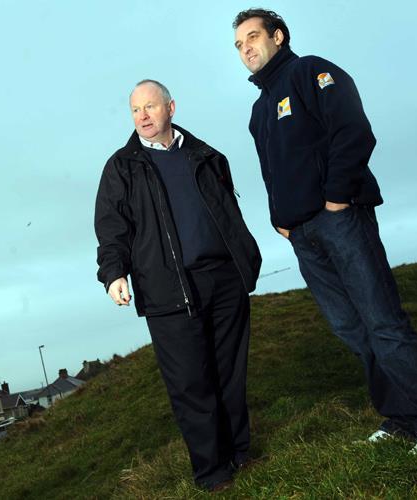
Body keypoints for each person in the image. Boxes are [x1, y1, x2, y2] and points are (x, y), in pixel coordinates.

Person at [232, 9, 417, 452]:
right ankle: (400, 418)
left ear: (278, 36)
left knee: (383, 321)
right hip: (302, 235)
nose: (246, 49)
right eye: (239, 45)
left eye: (253, 37)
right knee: (351, 328)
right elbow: (271, 171)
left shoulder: (312, 71)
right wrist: (282, 219)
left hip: (341, 219)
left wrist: (336, 197)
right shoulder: (260, 110)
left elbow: (353, 130)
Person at [94, 80, 262, 490]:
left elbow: (229, 213)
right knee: (191, 385)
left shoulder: (207, 156)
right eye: (135, 110)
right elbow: (112, 229)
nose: (143, 117)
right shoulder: (121, 167)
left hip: (224, 280)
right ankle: (213, 471)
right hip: (167, 290)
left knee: (229, 375)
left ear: (170, 107)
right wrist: (114, 273)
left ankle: (241, 453)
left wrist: (245, 259)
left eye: (150, 107)